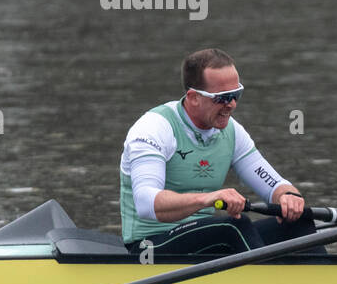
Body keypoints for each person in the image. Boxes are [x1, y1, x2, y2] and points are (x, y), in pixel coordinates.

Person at [119, 48, 316, 255]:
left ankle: (321, 282)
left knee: (299, 221)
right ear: (194, 97)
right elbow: (146, 203)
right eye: (223, 97)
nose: (231, 104)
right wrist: (208, 198)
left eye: (236, 94)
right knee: (233, 226)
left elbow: (272, 183)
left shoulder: (232, 131)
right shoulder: (154, 128)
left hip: (206, 239)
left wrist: (287, 196)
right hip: (149, 246)